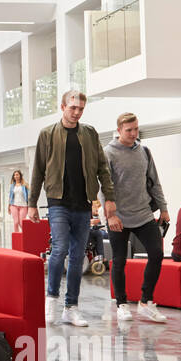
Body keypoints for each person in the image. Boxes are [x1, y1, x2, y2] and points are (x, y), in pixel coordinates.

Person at [28, 90, 118, 327]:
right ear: (62, 107)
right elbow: (37, 170)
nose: (76, 112)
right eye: (72, 108)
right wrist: (32, 204)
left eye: (80, 109)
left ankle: (71, 308)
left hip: (83, 204)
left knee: (78, 256)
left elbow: (102, 168)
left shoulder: (89, 134)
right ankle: (51, 300)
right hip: (58, 202)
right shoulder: (47, 134)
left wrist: (109, 198)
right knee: (59, 249)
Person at [103, 113, 169, 323]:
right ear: (119, 130)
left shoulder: (144, 151)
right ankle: (122, 304)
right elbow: (103, 187)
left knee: (157, 254)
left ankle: (145, 302)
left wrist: (164, 209)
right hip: (118, 217)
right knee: (120, 260)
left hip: (143, 213)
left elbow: (154, 182)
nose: (133, 134)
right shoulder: (108, 153)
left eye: (136, 129)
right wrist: (110, 215)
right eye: (129, 130)